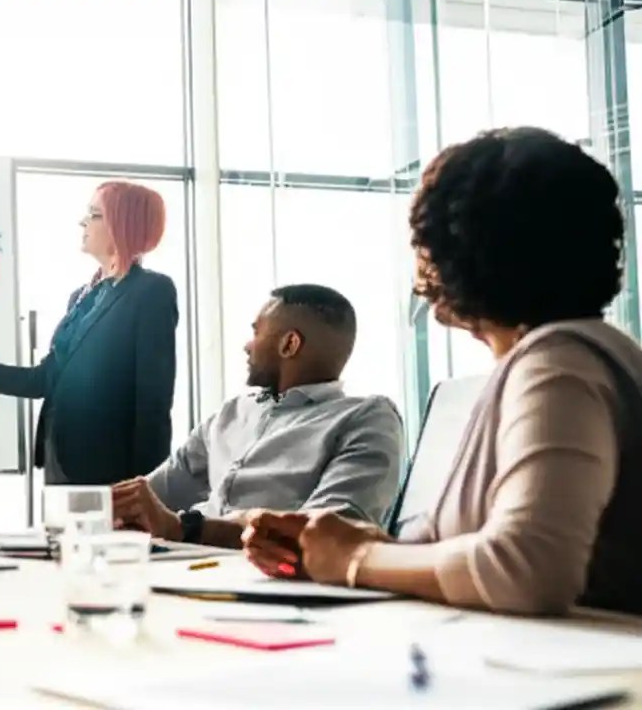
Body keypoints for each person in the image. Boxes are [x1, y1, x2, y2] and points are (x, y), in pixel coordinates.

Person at [243, 127, 642, 617]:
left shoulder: (558, 363)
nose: (418, 266)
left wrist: (356, 559)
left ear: (468, 246)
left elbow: (529, 568)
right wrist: (341, 547)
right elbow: (473, 553)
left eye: (424, 240)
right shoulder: (560, 359)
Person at [113, 284, 404, 550]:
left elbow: (328, 535)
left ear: (289, 344)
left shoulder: (366, 418)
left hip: (264, 576)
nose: (247, 346)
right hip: (184, 561)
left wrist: (185, 528)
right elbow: (154, 493)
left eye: (256, 332)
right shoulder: (231, 412)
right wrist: (109, 508)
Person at [0, 181, 177, 485]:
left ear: (122, 224)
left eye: (94, 214)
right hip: (61, 460)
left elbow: (153, 401)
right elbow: (46, 378)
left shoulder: (151, 291)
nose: (83, 222)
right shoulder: (81, 296)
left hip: (111, 470)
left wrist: (149, 487)